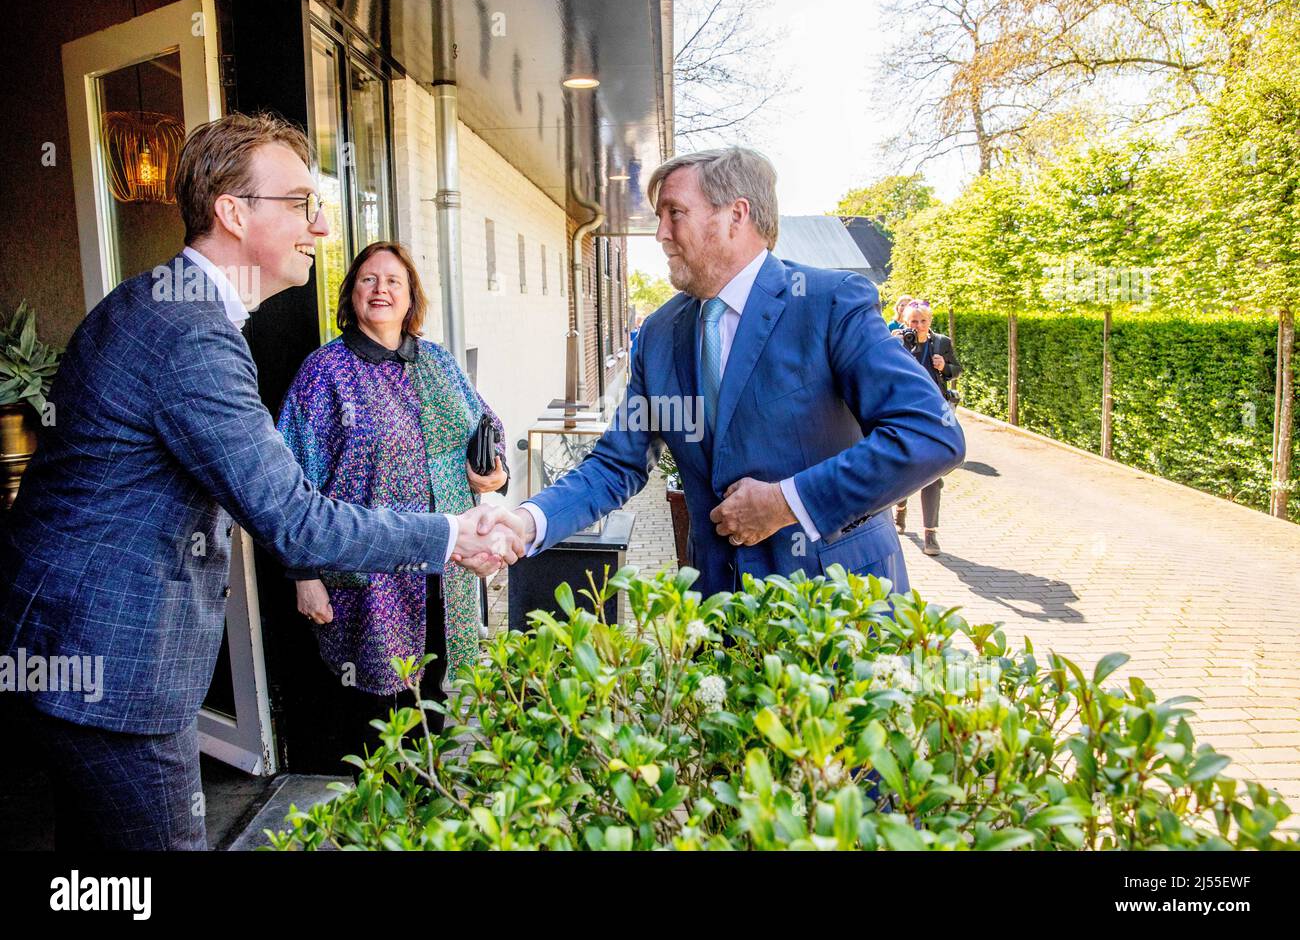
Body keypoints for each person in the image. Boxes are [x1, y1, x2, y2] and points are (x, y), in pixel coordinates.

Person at [0, 113, 520, 851]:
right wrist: (449, 535)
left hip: (71, 652)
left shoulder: (168, 304)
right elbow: (294, 517)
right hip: (112, 669)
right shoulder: (191, 333)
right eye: (302, 204)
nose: (320, 228)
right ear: (234, 213)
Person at [479, 147, 965, 597]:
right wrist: (526, 521)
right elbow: (617, 464)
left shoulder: (829, 303)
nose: (661, 234)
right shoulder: (659, 333)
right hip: (716, 613)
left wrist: (786, 502)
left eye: (675, 213)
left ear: (736, 214)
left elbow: (929, 434)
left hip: (837, 607)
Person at [277, 241, 508, 754]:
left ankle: (426, 807)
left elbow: (484, 426)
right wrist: (303, 575)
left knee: (434, 691)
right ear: (351, 294)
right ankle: (382, 818)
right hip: (367, 574)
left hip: (442, 567)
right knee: (375, 711)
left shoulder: (437, 363)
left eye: (393, 282)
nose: (380, 290)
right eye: (368, 280)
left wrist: (493, 475)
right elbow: (289, 482)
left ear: (410, 299)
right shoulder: (324, 373)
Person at [891, 300, 962, 555]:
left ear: (930, 321)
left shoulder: (941, 342)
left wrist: (945, 367)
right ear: (904, 322)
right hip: (904, 412)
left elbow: (957, 370)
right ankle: (900, 509)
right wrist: (891, 344)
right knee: (905, 466)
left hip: (934, 413)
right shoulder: (896, 340)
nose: (918, 326)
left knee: (933, 472)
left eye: (922, 321)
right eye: (913, 321)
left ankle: (930, 534)